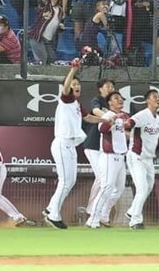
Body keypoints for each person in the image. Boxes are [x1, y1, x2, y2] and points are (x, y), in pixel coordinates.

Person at [126, 89, 159, 229]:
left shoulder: (157, 118)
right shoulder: (142, 115)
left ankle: (132, 211)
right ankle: (135, 221)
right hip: (136, 156)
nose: (158, 99)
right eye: (154, 97)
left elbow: (158, 137)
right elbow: (129, 123)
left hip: (148, 159)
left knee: (148, 187)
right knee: (142, 188)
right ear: (147, 101)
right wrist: (125, 127)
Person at [43, 60, 87, 229]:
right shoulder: (66, 99)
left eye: (79, 85)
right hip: (62, 142)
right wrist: (73, 70)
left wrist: (106, 119)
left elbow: (88, 117)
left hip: (70, 145)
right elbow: (66, 86)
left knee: (71, 180)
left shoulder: (76, 104)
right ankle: (54, 214)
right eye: (74, 84)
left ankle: (50, 209)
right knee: (65, 180)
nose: (77, 86)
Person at [85, 91, 132, 229]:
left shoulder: (124, 116)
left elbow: (126, 132)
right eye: (116, 99)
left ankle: (104, 215)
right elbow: (102, 129)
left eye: (121, 98)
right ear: (110, 103)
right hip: (108, 156)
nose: (120, 100)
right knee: (106, 187)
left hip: (121, 155)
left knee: (119, 188)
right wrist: (112, 119)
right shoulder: (107, 114)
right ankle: (92, 219)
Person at [81, 78, 116, 222]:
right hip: (92, 145)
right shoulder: (98, 100)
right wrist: (108, 117)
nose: (110, 88)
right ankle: (92, 210)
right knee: (103, 178)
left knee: (103, 179)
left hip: (105, 148)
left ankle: (93, 210)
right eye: (107, 86)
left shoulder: (114, 104)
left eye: (112, 86)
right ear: (100, 89)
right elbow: (95, 111)